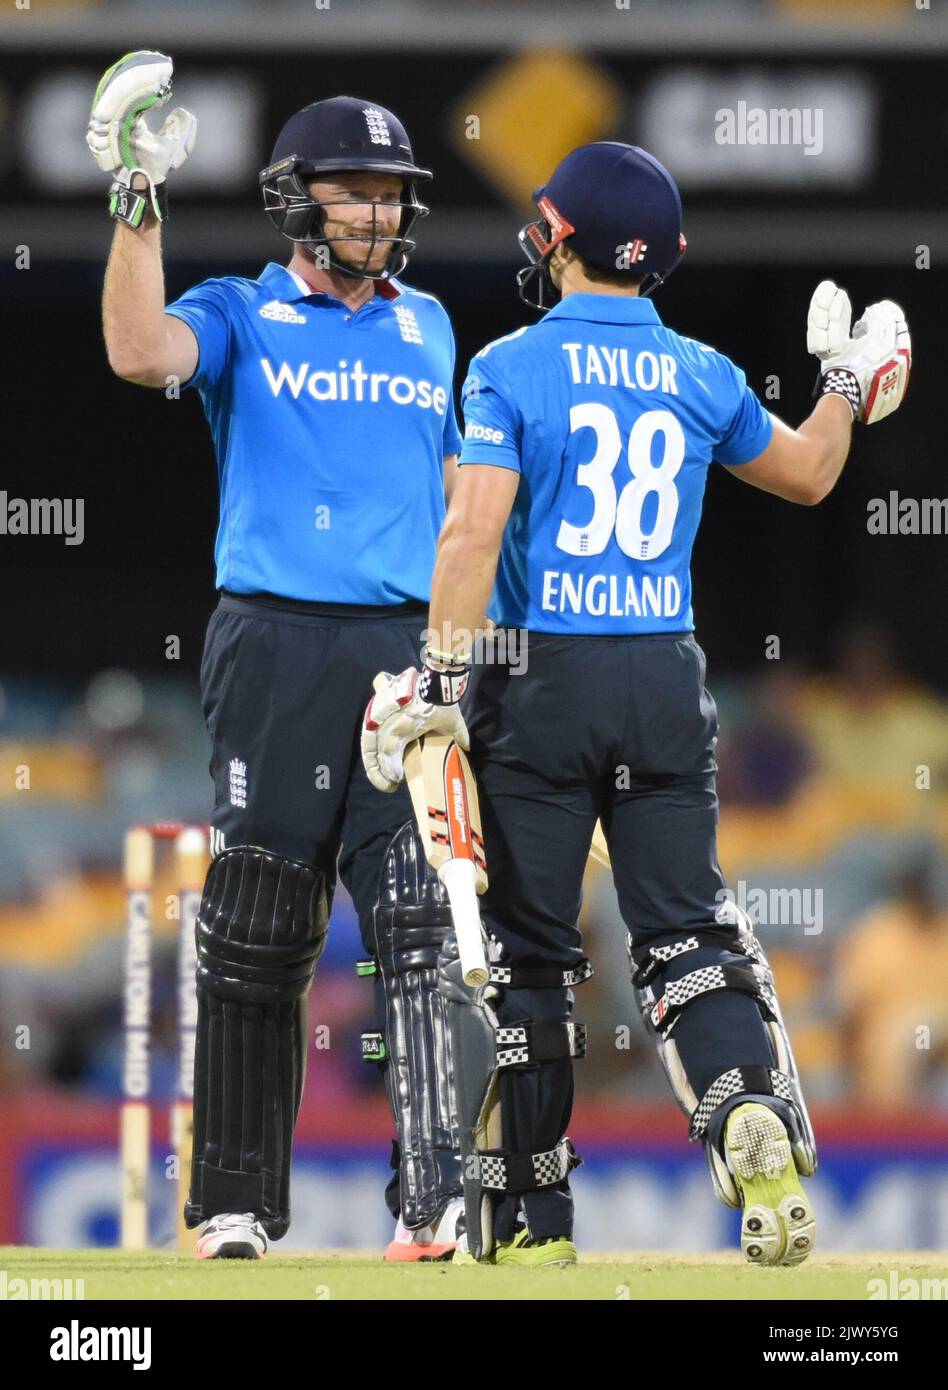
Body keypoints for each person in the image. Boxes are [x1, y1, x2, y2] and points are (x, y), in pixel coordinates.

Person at [362, 141, 911, 1266]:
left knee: (528, 956)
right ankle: (742, 1105)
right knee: (687, 938)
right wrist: (847, 383)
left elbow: (470, 535)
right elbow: (811, 472)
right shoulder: (703, 370)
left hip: (543, 679)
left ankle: (527, 1222)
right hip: (665, 677)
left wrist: (439, 676)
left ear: (561, 237)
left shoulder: (508, 367)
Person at [88, 51, 469, 1259]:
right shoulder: (244, 309)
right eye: (354, 190)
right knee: (257, 925)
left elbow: (461, 496)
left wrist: (471, 654)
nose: (379, 212)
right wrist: (138, 198)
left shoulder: (433, 322)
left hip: (403, 648)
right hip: (273, 639)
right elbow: (139, 353)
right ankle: (234, 1206)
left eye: (392, 191)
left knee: (423, 923)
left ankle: (434, 1204)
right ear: (299, 198)